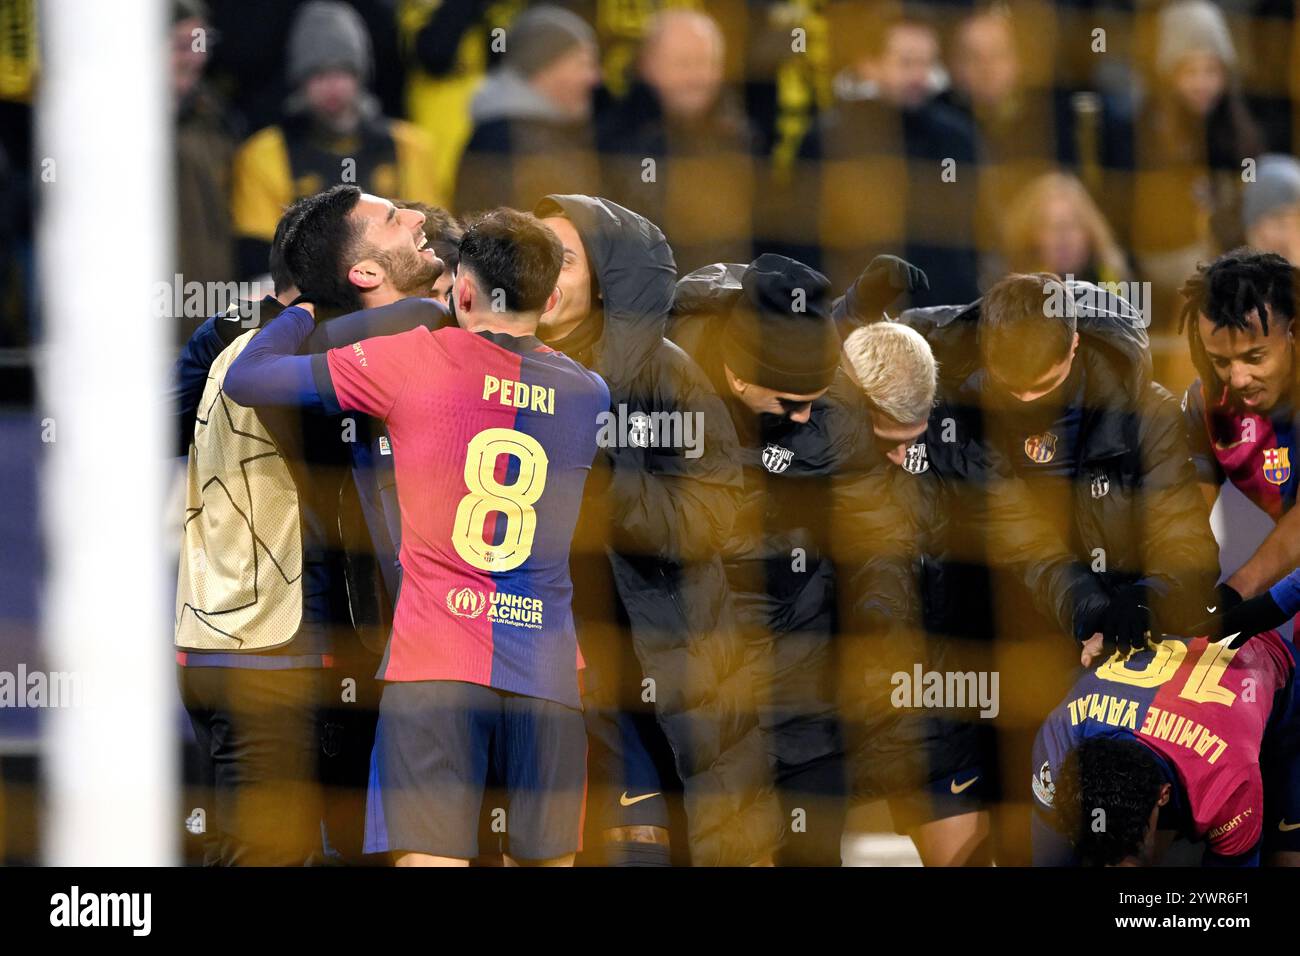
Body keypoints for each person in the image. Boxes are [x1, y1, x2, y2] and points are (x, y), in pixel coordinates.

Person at [223, 207, 610, 866]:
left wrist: (301, 311)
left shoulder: (414, 358)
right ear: (548, 301)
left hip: (436, 665)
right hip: (548, 673)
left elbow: (248, 378)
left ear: (461, 291)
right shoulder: (588, 392)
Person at [885, 270, 1221, 862]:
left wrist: (1141, 603)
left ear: (1074, 343)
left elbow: (1189, 553)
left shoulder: (1147, 414)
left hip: (1090, 666)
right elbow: (1016, 534)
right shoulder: (938, 392)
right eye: (1011, 386)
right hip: (961, 659)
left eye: (1043, 386)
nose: (1024, 402)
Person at [532, 193, 781, 866]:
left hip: (667, 662)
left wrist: (607, 491)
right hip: (540, 665)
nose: (544, 274)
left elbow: (720, 514)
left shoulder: (664, 372)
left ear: (607, 274)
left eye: (565, 260)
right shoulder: (490, 363)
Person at [670, 253, 924, 865]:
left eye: (818, 399)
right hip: (704, 695)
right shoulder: (663, 389)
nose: (807, 417)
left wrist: (880, 613)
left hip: (807, 696)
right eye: (790, 405)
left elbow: (876, 534)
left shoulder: (830, 404)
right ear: (738, 378)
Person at [1032, 567, 1300, 866]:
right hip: (1181, 648)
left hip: (1276, 676)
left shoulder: (1229, 784)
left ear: (1163, 794)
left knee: (1287, 852)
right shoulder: (1060, 736)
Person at [230, 0, 442, 279]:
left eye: (342, 71)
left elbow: (434, 241)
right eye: (317, 74)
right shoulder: (264, 153)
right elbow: (260, 262)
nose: (332, 87)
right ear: (300, 81)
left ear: (360, 75)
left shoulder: (409, 146)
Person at [1180, 249, 1300, 608]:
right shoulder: (1205, 403)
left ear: (1293, 331)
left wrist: (1235, 591)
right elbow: (1189, 513)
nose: (1238, 378)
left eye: (1254, 357)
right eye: (1220, 361)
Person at [597, 10, 757, 272]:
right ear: (648, 65)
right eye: (683, 63)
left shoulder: (740, 139)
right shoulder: (610, 142)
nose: (697, 77)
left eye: (707, 63)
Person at [454, 5, 602, 215]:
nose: (594, 78)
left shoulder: (549, 132)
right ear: (544, 67)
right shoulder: (506, 141)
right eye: (583, 64)